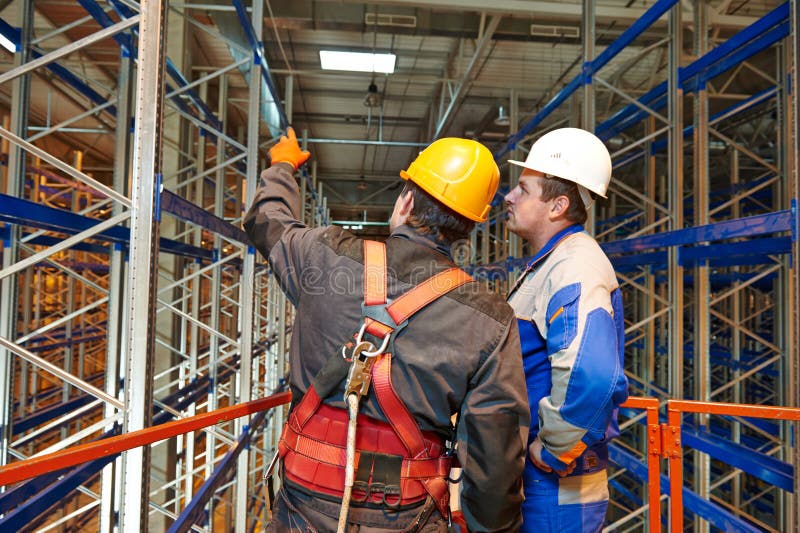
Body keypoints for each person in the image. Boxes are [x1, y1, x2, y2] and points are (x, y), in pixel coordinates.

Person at [244, 127, 529, 532]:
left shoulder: (323, 255)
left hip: (303, 509)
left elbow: (266, 221)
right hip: (406, 515)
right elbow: (495, 460)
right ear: (469, 227)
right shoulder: (490, 317)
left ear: (406, 200)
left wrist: (282, 166)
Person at [503, 128, 629, 532]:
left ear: (557, 205)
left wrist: (554, 450)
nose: (509, 197)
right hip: (538, 481)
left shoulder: (575, 265)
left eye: (523, 189)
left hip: (556, 486)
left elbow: (592, 377)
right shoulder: (552, 262)